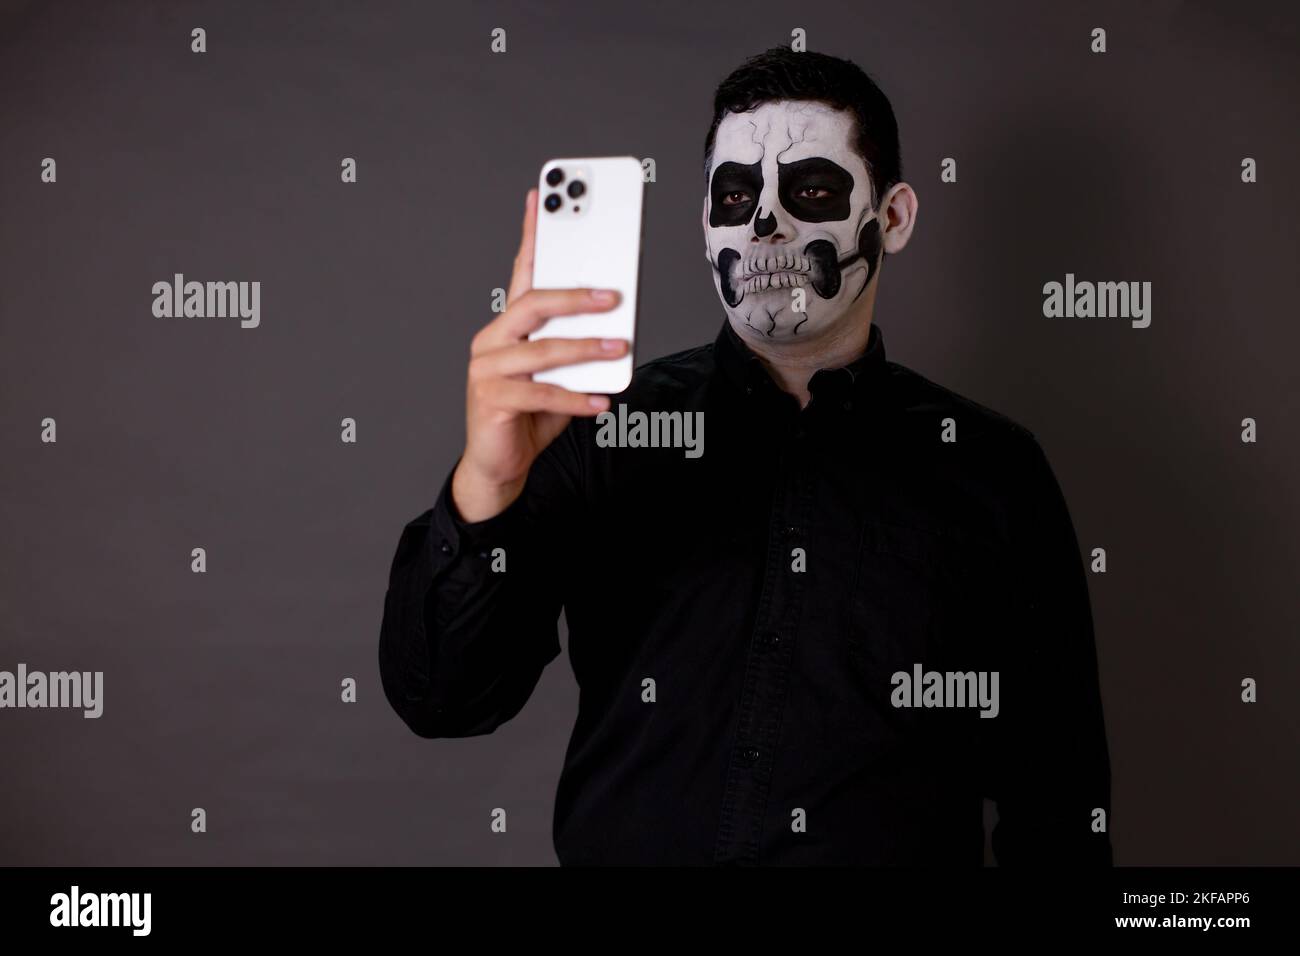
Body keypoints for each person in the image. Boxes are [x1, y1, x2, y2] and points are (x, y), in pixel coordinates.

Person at [378, 46, 1112, 866]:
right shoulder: (593, 428)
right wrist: (488, 482)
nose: (766, 222)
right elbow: (441, 699)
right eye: (736, 195)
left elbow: (1058, 800)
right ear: (705, 226)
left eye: (810, 190)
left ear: (893, 218)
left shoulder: (993, 470)